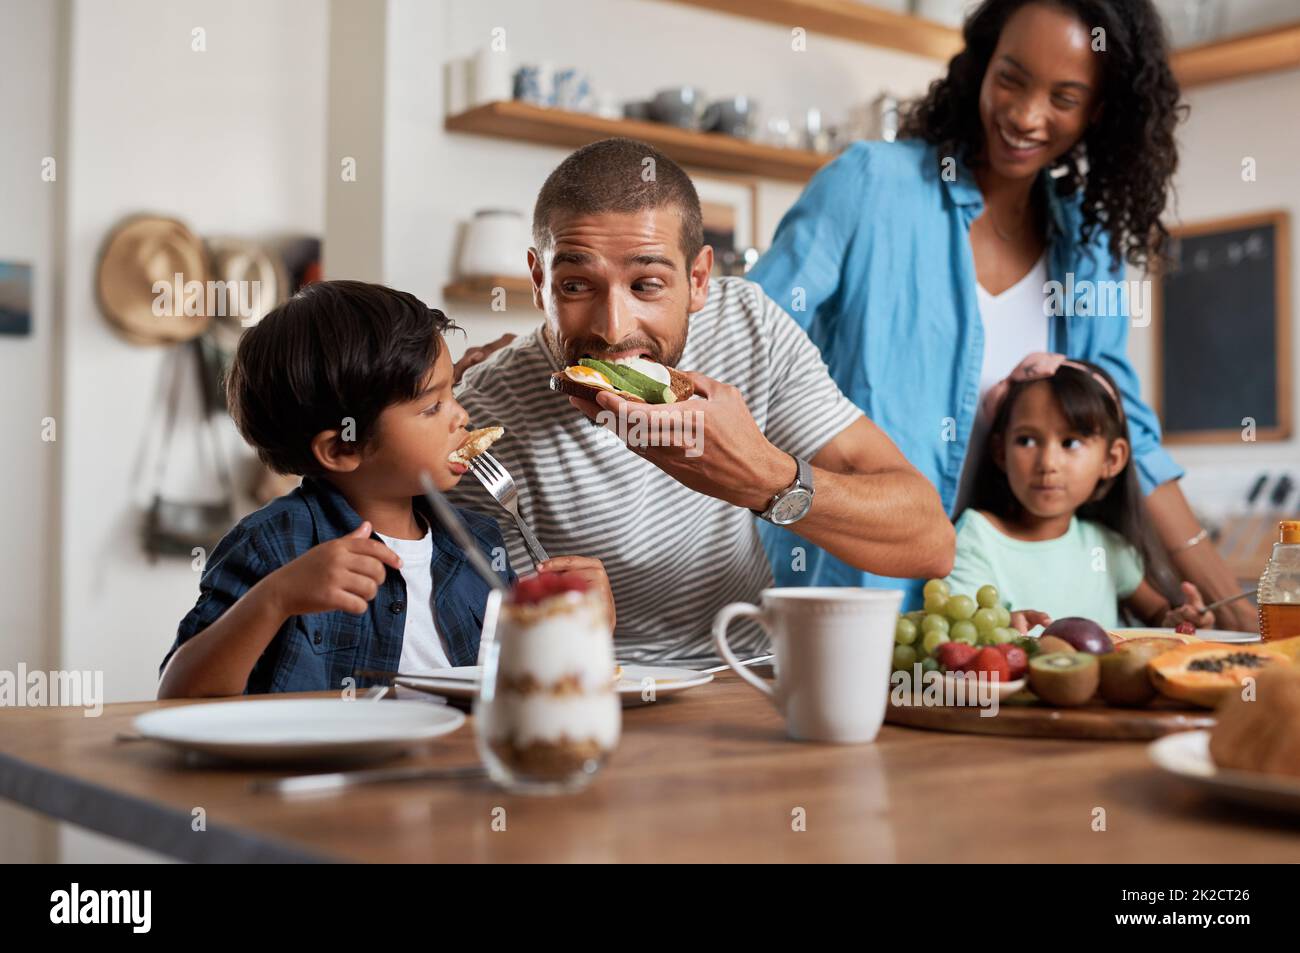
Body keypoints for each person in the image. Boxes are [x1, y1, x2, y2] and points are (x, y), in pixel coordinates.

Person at [747, 0, 1253, 629]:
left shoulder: (1086, 248)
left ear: (1100, 110)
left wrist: (1240, 611)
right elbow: (746, 342)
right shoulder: (872, 187)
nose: (1025, 115)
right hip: (859, 594)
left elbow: (1132, 436)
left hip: (1004, 619)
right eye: (1011, 77)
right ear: (982, 64)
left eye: (1064, 97)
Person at [448, 137, 954, 663]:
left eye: (646, 285)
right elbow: (476, 641)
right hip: (598, 695)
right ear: (538, 280)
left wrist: (761, 477)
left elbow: (930, 540)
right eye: (576, 286)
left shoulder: (749, 326)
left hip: (752, 681)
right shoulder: (483, 416)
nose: (613, 328)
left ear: (698, 280)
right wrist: (566, 626)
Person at [159, 281, 610, 697]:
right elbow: (178, 695)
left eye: (451, 392)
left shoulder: (479, 542)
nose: (461, 416)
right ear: (341, 448)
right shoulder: (275, 545)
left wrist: (581, 627)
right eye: (432, 406)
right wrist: (273, 600)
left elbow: (518, 688)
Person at [947, 353, 1214, 629]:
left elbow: (1159, 615)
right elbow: (961, 632)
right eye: (1026, 440)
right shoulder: (977, 538)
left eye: (1071, 443)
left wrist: (1181, 620)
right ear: (1000, 452)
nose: (1048, 463)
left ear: (1112, 460)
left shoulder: (1106, 546)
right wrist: (1001, 627)